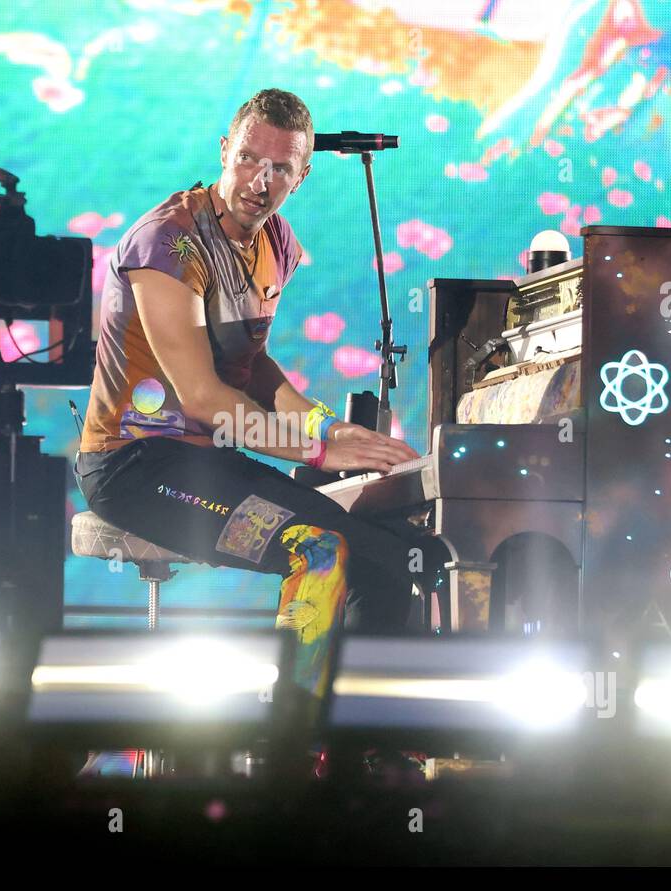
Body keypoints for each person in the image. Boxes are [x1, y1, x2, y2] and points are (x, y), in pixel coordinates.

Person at [74, 88, 427, 697]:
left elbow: (251, 362)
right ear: (224, 151)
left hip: (206, 461)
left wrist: (325, 426)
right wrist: (319, 452)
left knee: (389, 556)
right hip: (133, 467)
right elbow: (203, 398)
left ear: (302, 174)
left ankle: (361, 730)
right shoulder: (168, 243)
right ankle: (292, 731)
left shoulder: (276, 243)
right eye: (246, 159)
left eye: (280, 168)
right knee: (320, 549)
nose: (260, 182)